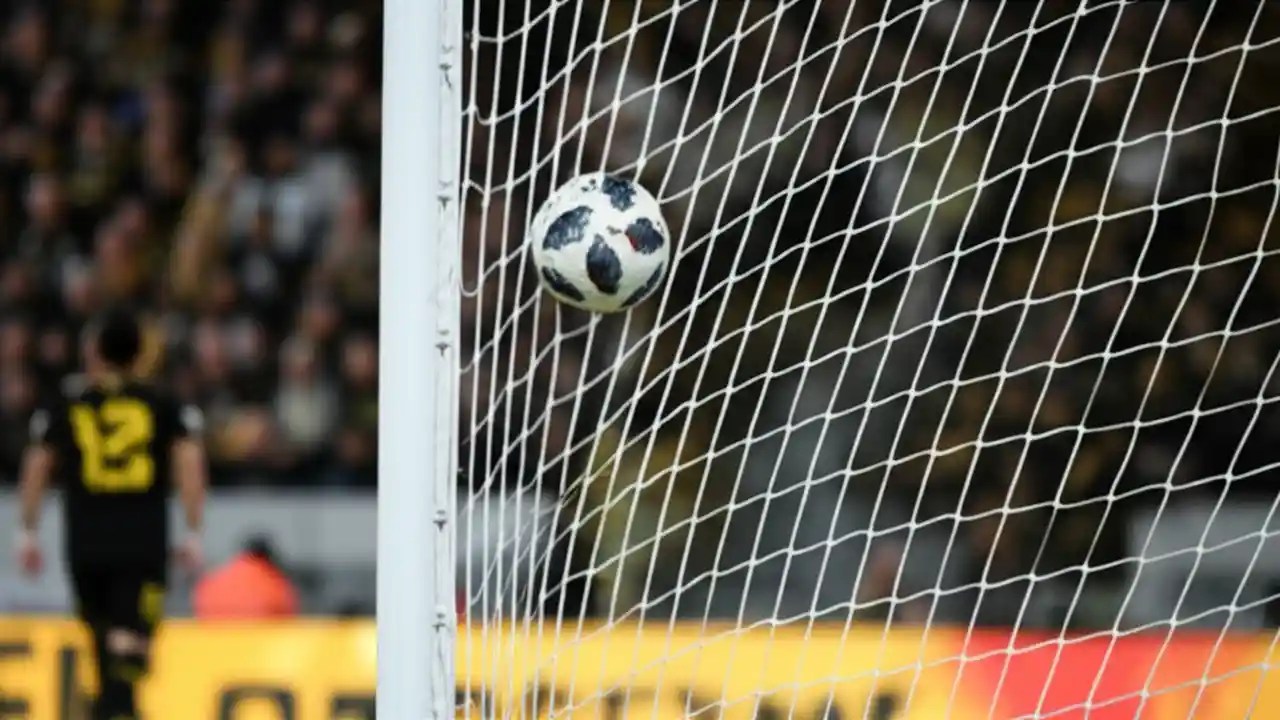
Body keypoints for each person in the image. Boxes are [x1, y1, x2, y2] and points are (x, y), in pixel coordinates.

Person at [15, 308, 208, 720]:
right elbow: (189, 463)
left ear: (96, 352)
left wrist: (27, 531)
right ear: (139, 354)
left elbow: (37, 466)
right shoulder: (162, 403)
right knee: (131, 647)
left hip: (85, 541)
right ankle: (118, 707)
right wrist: (194, 531)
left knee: (102, 642)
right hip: (143, 541)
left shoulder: (67, 402)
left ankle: (113, 707)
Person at [193, 534, 299, 619]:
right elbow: (286, 619)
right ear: (269, 558)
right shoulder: (276, 585)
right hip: (258, 643)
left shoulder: (212, 581)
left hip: (213, 642)